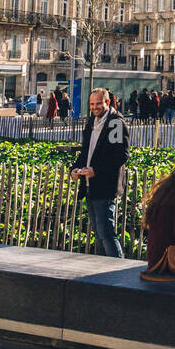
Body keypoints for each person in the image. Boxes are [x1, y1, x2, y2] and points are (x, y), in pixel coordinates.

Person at [70, 88, 130, 258]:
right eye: (92, 104)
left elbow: (120, 155)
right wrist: (75, 169)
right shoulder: (91, 121)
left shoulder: (115, 122)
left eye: (98, 104)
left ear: (107, 102)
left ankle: (117, 272)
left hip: (105, 185)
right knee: (99, 233)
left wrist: (96, 170)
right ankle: (102, 274)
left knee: (107, 233)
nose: (95, 107)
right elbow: (85, 152)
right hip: (90, 184)